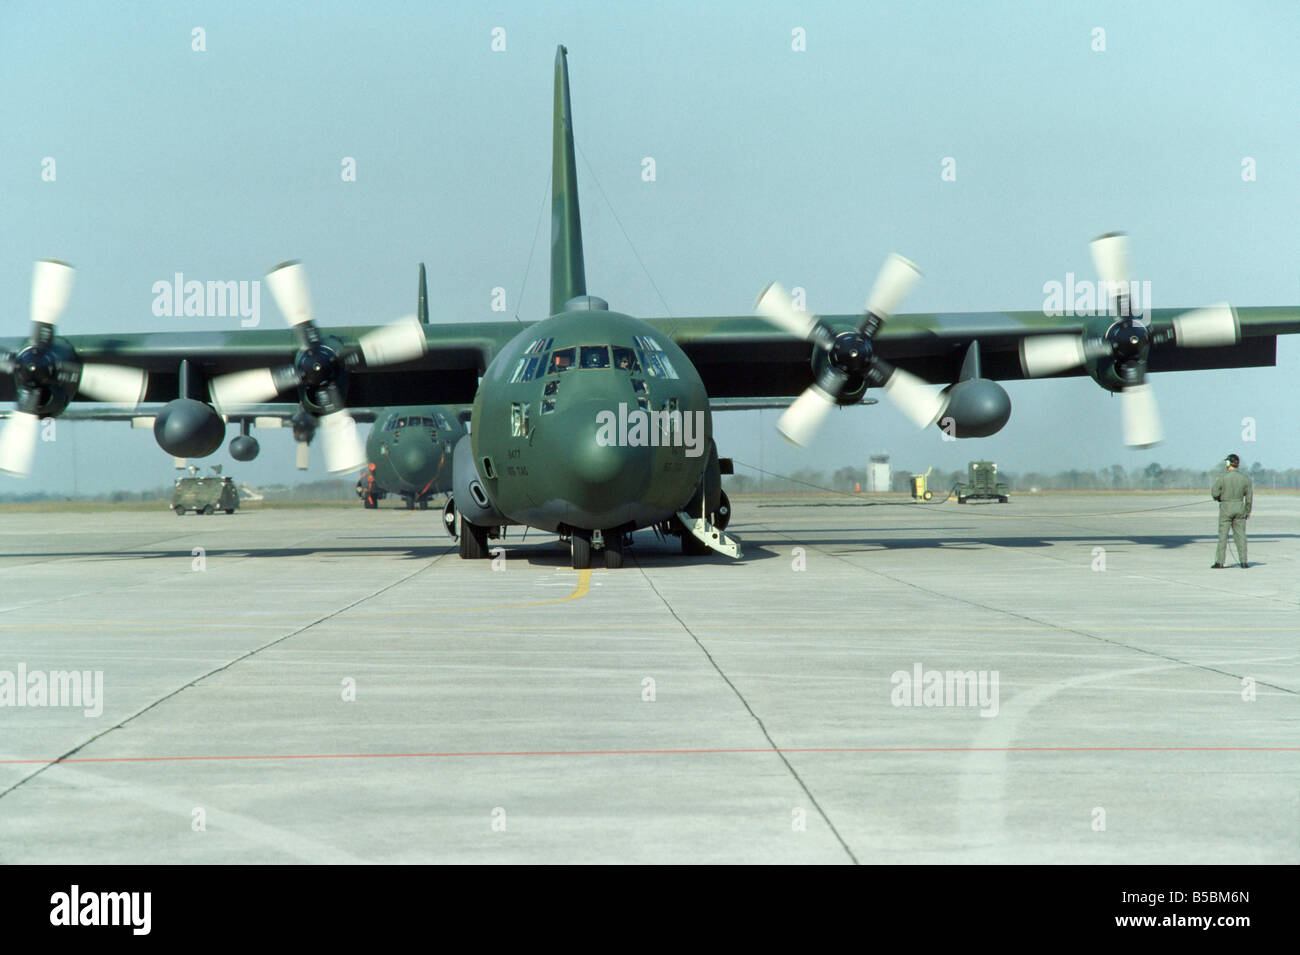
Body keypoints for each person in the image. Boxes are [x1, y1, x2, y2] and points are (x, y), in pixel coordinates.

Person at [1210, 453, 1252, 568]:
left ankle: (1220, 562)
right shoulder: (1245, 479)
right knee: (1241, 536)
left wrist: (1219, 498)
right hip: (1240, 507)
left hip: (1226, 508)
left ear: (1228, 463)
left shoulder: (1223, 478)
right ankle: (1244, 562)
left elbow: (1214, 493)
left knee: (1223, 536)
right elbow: (1249, 498)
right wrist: (1247, 511)